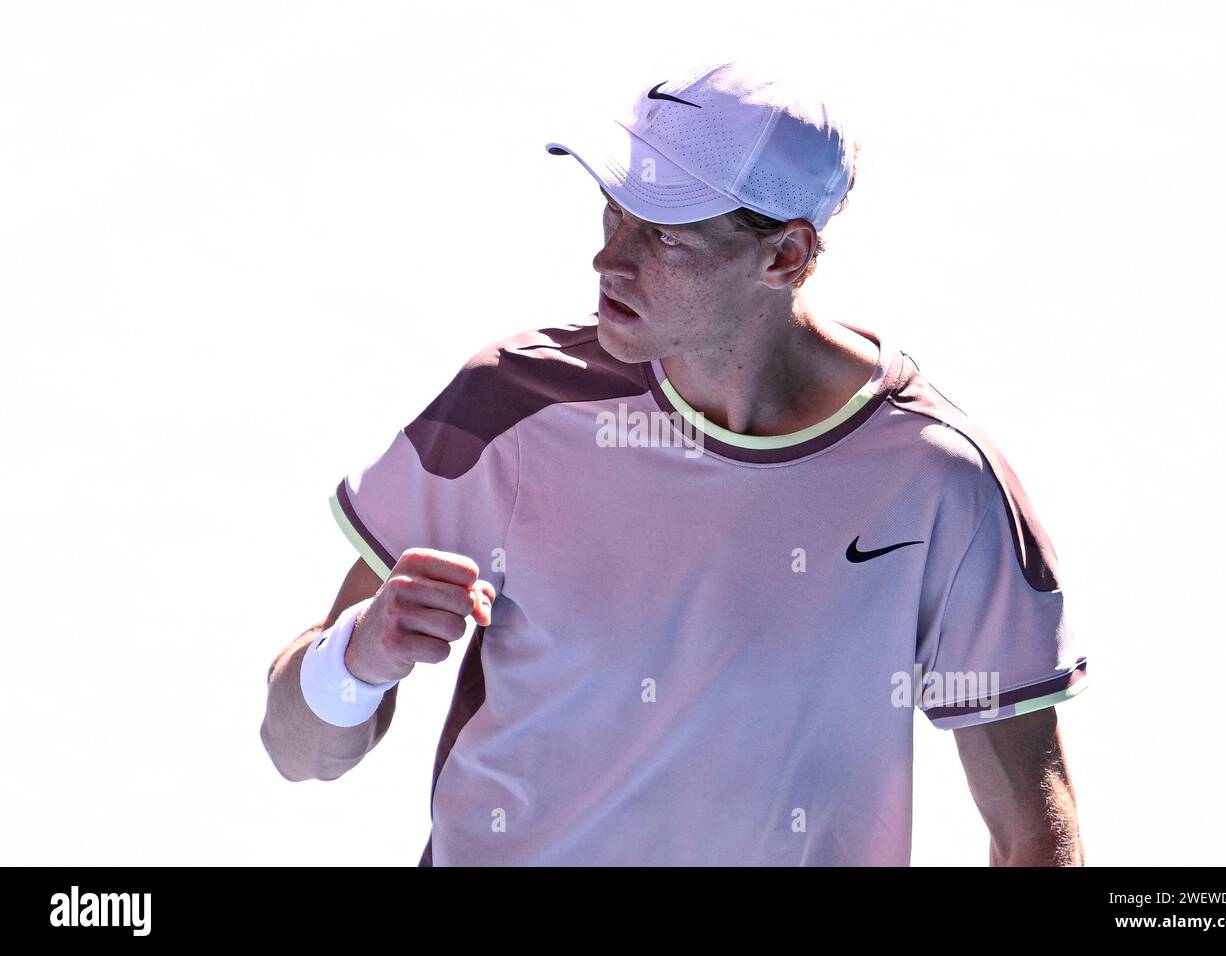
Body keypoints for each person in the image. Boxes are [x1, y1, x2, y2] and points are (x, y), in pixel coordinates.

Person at [260, 59, 1089, 866]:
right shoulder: (506, 407)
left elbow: (1032, 835)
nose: (609, 261)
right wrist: (357, 655)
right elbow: (298, 748)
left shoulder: (943, 483)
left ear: (786, 258)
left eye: (662, 234)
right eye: (613, 212)